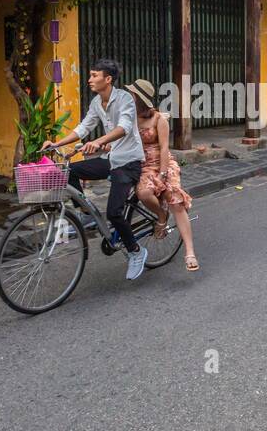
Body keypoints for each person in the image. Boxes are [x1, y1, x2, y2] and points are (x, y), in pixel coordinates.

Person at [42, 58, 147, 281]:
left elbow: (125, 128)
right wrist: (57, 144)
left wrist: (98, 142)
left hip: (128, 162)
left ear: (107, 79)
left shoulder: (125, 98)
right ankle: (87, 215)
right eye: (90, 75)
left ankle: (136, 252)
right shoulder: (97, 102)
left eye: (94, 76)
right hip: (111, 158)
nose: (90, 80)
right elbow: (83, 127)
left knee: (114, 212)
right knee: (69, 171)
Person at [127, 79, 199, 272]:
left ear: (140, 99)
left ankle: (189, 252)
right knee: (143, 194)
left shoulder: (159, 119)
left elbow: (165, 148)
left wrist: (163, 174)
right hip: (141, 165)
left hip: (163, 163)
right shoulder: (129, 117)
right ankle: (161, 215)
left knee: (174, 199)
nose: (129, 97)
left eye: (132, 95)